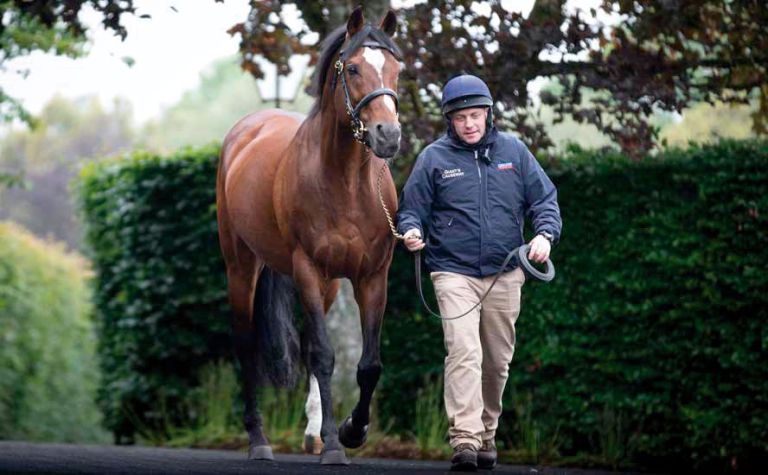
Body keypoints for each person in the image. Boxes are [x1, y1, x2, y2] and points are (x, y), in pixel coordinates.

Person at [396, 74, 562, 471]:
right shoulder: (433, 158)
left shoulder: (515, 152)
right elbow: (410, 209)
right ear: (449, 120)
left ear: (488, 114)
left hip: (507, 271)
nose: (469, 124)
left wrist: (544, 235)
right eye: (461, 117)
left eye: (475, 115)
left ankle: (487, 433)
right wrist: (412, 230)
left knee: (497, 360)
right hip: (453, 272)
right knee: (465, 352)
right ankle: (465, 441)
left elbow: (545, 200)